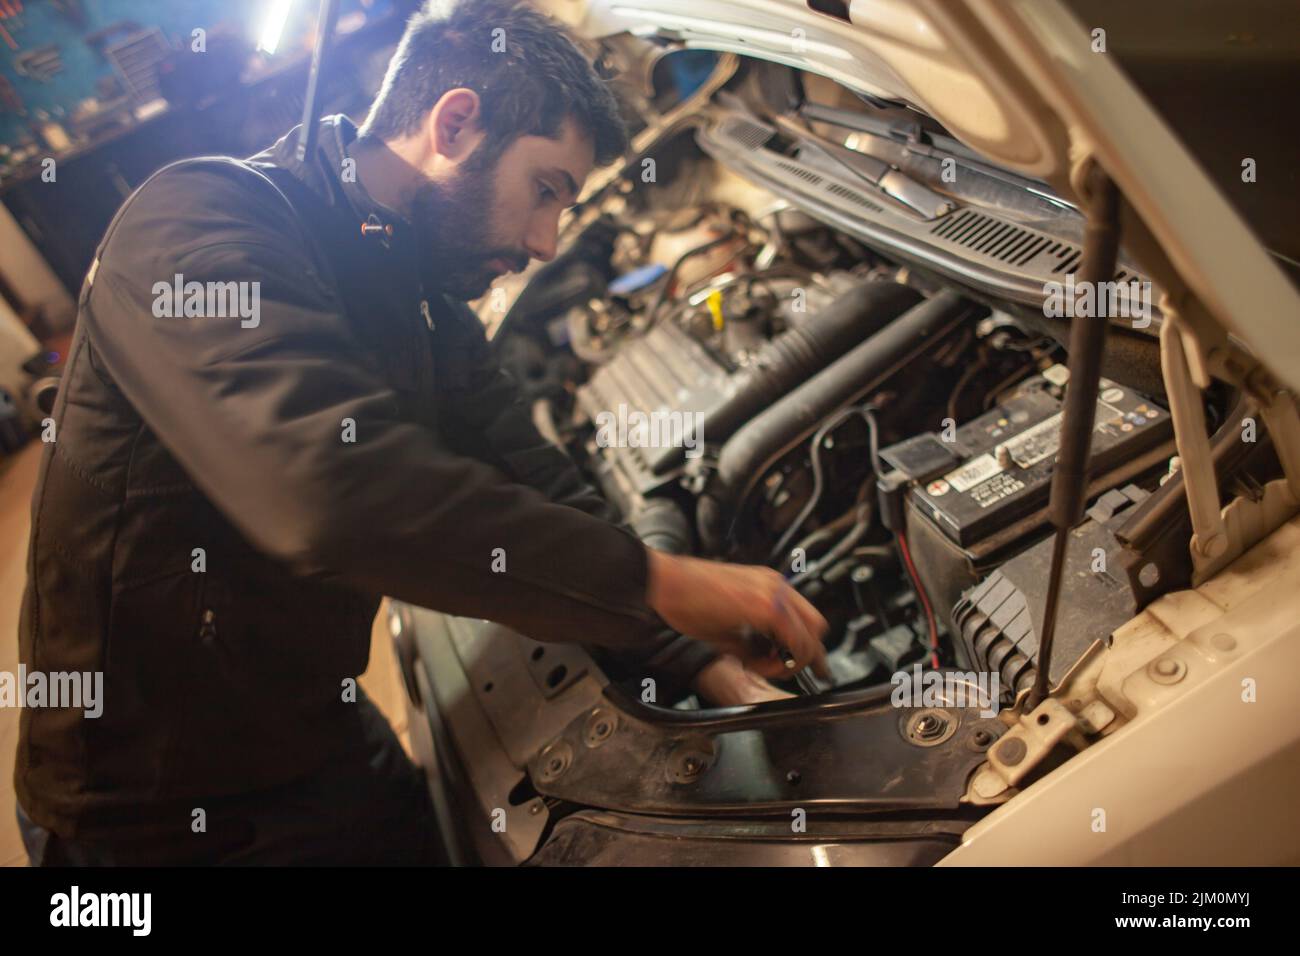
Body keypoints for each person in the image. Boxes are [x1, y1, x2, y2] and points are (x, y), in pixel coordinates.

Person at [14, 0, 827, 865]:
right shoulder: (196, 225)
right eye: (545, 189)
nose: (549, 240)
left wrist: (682, 650)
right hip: (148, 814)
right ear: (456, 123)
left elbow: (530, 475)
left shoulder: (427, 303)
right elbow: (327, 493)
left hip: (319, 737)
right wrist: (658, 580)